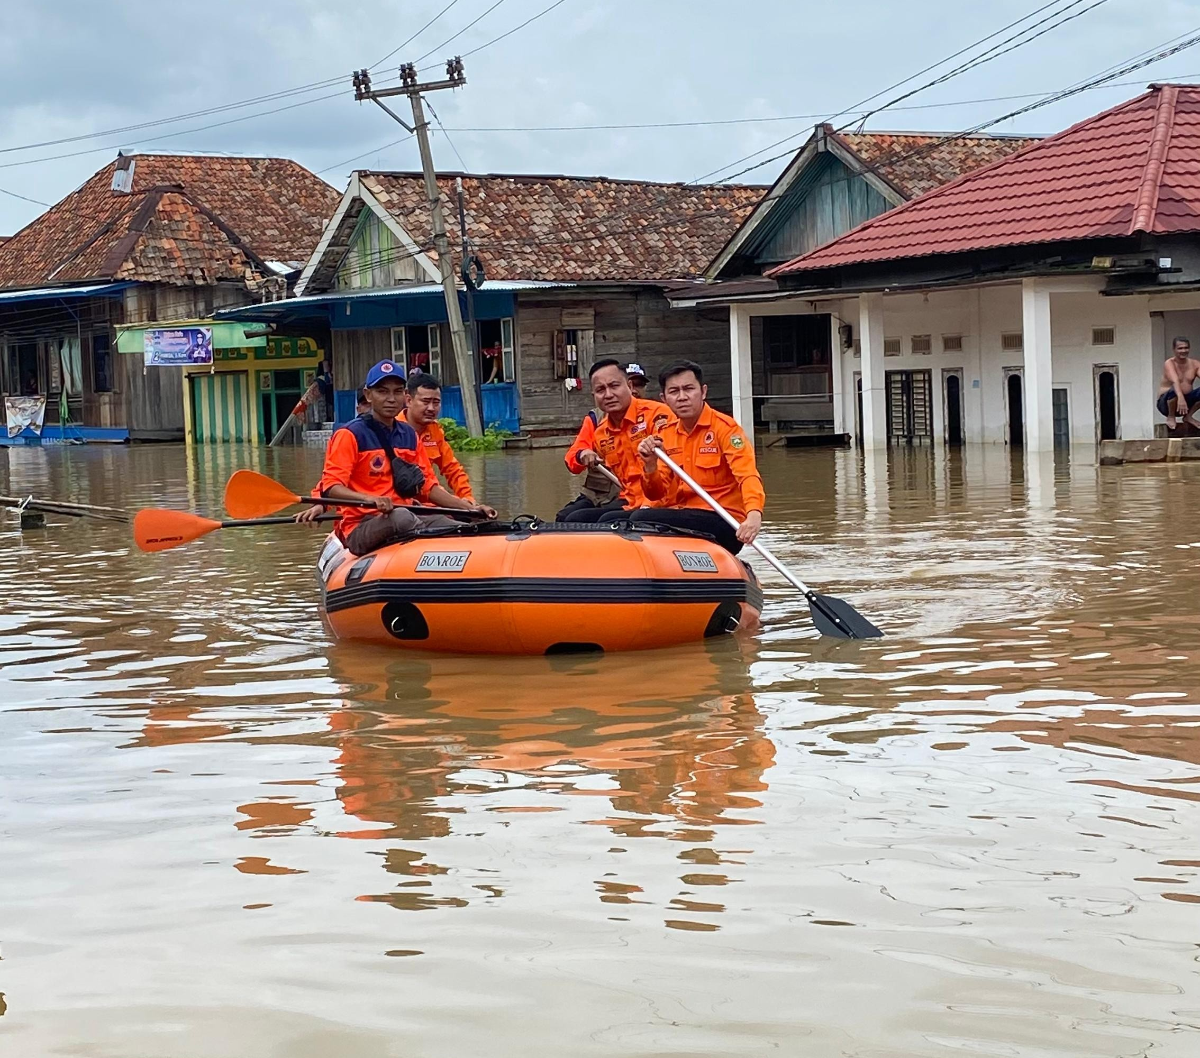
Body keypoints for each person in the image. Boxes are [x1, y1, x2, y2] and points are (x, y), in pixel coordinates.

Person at [300, 359, 495, 552]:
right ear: (368, 395)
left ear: (405, 396)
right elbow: (331, 488)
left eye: (397, 391)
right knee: (402, 517)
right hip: (362, 524)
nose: (391, 399)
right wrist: (370, 499)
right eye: (382, 391)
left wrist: (468, 508)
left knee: (455, 522)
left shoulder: (409, 435)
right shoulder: (349, 435)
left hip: (407, 513)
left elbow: (427, 486)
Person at [634, 359, 764, 555]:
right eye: (674, 392)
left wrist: (754, 514)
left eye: (688, 389)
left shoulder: (726, 429)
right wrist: (650, 466)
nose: (682, 397)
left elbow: (747, 476)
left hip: (722, 519)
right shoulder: (666, 433)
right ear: (664, 398)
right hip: (683, 514)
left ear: (703, 392)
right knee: (608, 521)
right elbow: (656, 495)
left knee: (637, 519)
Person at [562, 359, 672, 523]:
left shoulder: (658, 415)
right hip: (626, 500)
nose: (608, 394)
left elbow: (669, 472)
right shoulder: (599, 430)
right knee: (573, 519)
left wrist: (646, 505)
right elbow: (573, 458)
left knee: (608, 521)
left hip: (662, 501)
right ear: (594, 395)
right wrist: (582, 455)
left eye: (614, 386)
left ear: (629, 386)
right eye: (601, 389)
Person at [400, 371, 476, 501]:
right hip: (404, 503)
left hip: (432, 501)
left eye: (436, 402)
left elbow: (453, 469)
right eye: (425, 401)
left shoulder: (435, 430)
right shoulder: (394, 430)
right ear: (408, 400)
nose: (431, 408)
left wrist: (467, 498)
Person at [555, 407, 622, 521]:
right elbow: (572, 459)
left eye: (638, 387)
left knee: (604, 519)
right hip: (596, 494)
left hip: (629, 495)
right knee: (564, 517)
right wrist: (582, 454)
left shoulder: (650, 414)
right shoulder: (595, 418)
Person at [1158, 337, 1200, 431]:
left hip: (1186, 404)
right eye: (1180, 348)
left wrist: (1183, 399)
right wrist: (1180, 398)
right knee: (1173, 390)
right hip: (1167, 404)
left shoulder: (1195, 364)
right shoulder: (1169, 363)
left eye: (1186, 348)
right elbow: (1175, 381)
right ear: (1174, 349)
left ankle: (1188, 417)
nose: (1183, 351)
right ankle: (1171, 416)